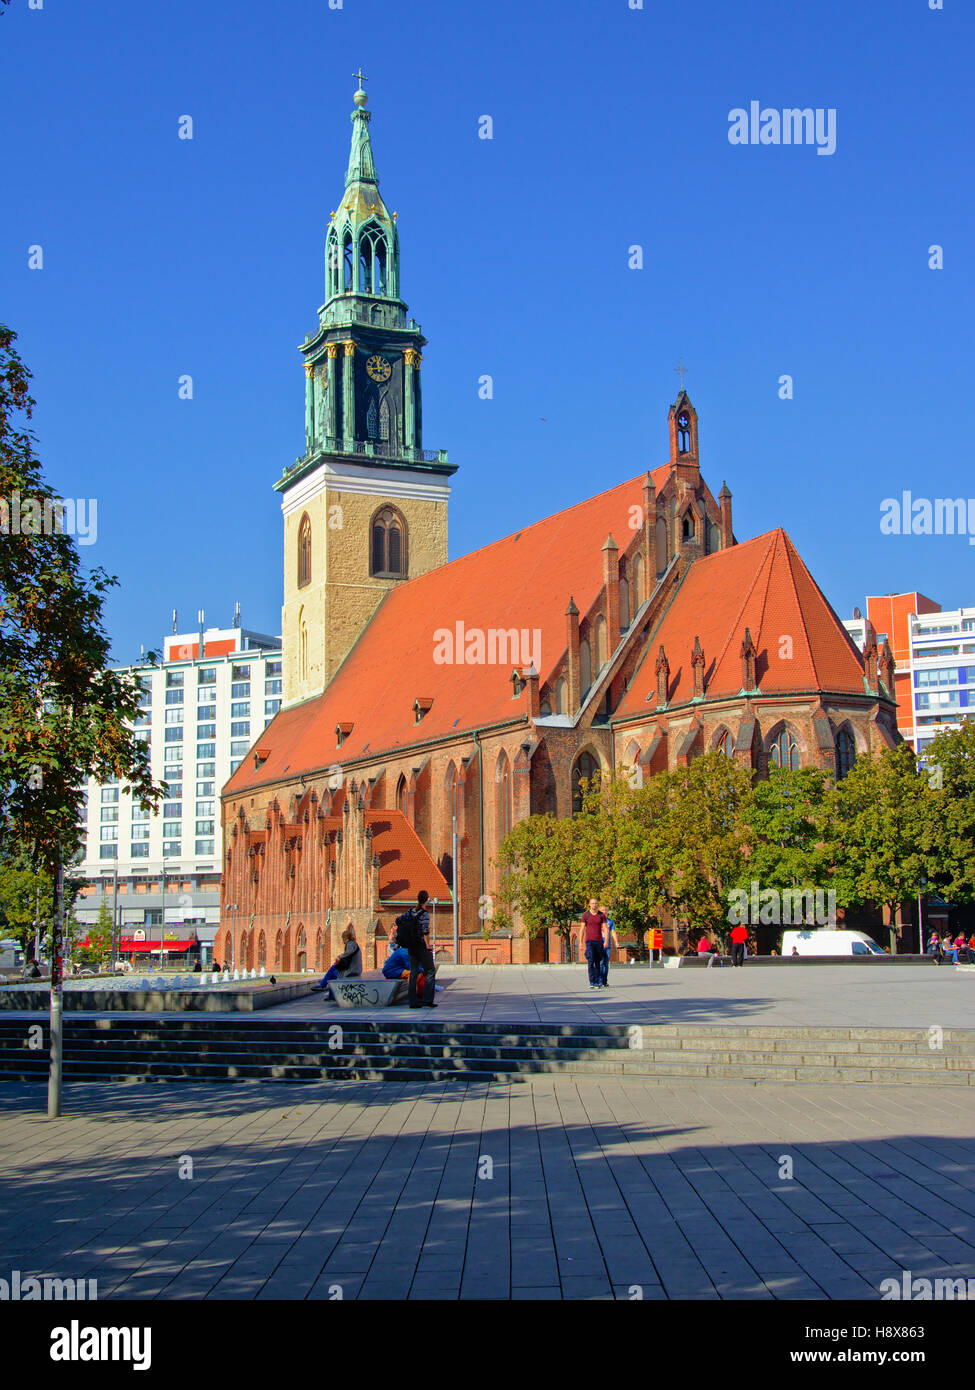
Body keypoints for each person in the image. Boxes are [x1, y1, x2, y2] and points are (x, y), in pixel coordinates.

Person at [399, 891, 436, 1008]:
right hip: (421, 946)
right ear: (426, 900)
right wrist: (427, 945)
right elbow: (425, 931)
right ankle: (427, 1000)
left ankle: (413, 1001)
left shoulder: (410, 912)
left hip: (411, 946)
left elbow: (398, 920)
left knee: (413, 973)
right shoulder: (425, 914)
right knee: (430, 971)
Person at [320, 926, 362, 997]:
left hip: (352, 971)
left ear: (346, 938)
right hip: (352, 969)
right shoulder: (352, 943)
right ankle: (331, 995)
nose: (342, 941)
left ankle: (322, 984)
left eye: (343, 938)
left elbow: (349, 952)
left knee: (333, 969)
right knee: (333, 974)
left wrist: (339, 957)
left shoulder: (351, 944)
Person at [581, 898, 607, 989]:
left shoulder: (601, 915)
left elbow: (605, 928)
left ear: (597, 904)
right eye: (592, 903)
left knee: (598, 961)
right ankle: (592, 981)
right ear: (589, 904)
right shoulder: (585, 915)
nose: (594, 905)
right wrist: (580, 942)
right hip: (589, 941)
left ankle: (597, 981)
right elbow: (582, 929)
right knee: (591, 961)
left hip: (599, 941)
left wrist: (606, 941)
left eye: (595, 903)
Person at [599, 909, 619, 987]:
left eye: (605, 910)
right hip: (599, 944)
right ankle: (599, 980)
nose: (603, 912)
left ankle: (605, 980)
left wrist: (616, 942)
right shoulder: (597, 921)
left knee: (606, 964)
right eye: (602, 910)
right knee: (600, 963)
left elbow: (613, 932)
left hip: (607, 945)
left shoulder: (610, 921)